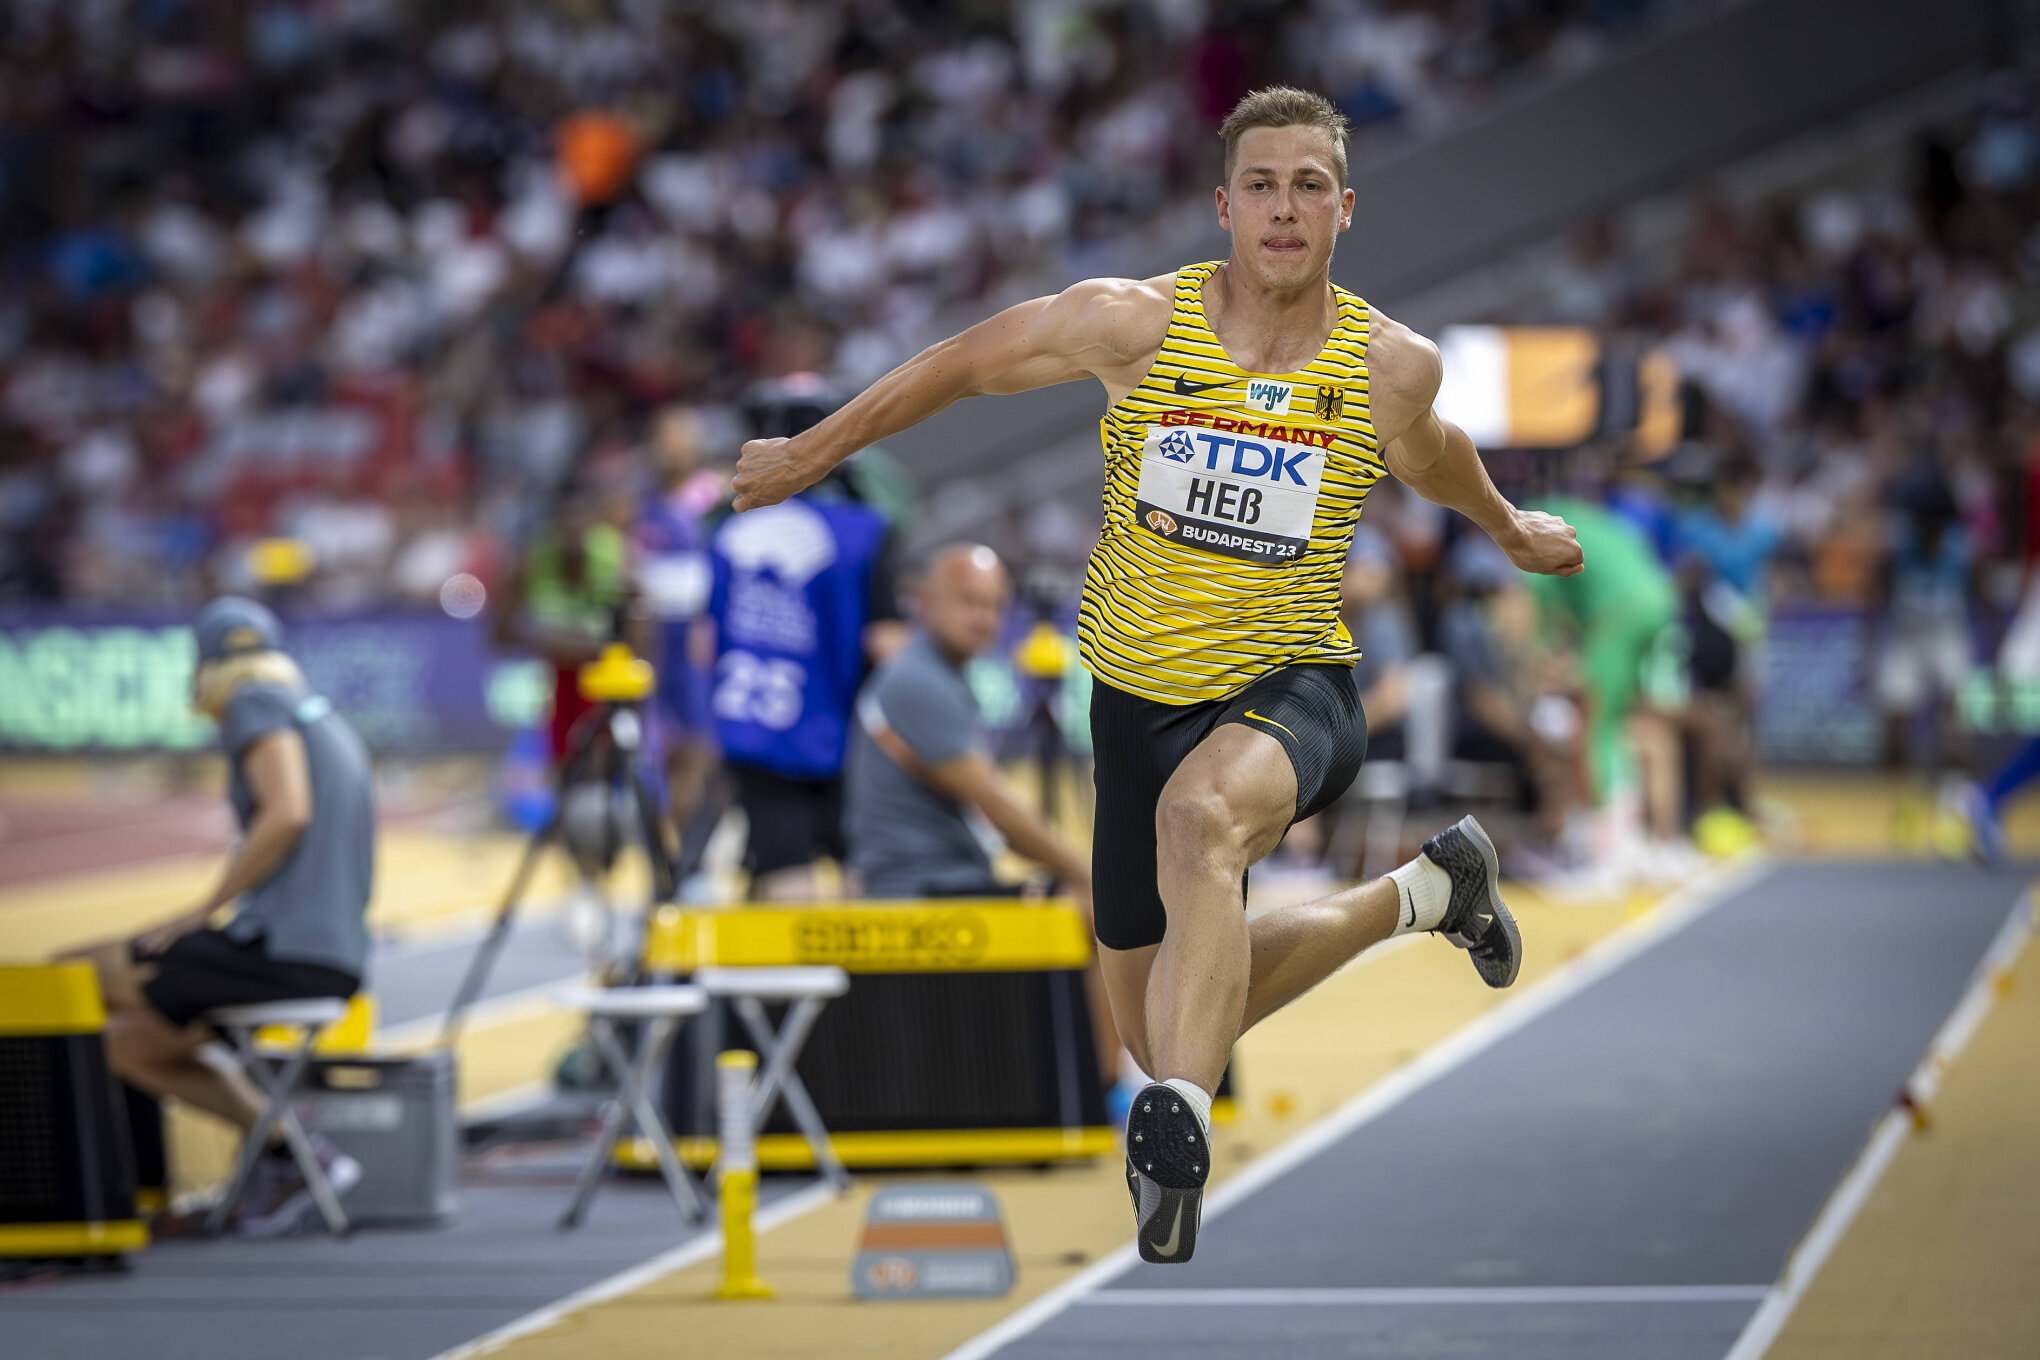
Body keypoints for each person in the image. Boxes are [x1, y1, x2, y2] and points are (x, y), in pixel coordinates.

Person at [732, 86, 1583, 1263]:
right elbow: (964, 366)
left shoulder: (1389, 364)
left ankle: (1171, 1126)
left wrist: (1507, 528)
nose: (1286, 209)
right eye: (1264, 185)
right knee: (1153, 1011)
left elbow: (1434, 457)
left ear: (1347, 209)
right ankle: (1425, 895)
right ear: (1223, 204)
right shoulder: (1130, 325)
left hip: (1293, 689)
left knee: (1201, 829)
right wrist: (809, 452)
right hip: (1135, 704)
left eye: (1310, 186)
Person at [62, 598, 374, 1237]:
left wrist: (201, 912)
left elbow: (287, 811)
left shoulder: (254, 702)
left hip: (281, 950)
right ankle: (290, 1154)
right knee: (125, 1044)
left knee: (70, 976)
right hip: (325, 954)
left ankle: (105, 1192)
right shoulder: (314, 711)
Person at [709, 376, 906, 899]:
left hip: (754, 723)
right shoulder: (866, 528)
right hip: (843, 729)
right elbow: (886, 641)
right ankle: (858, 984)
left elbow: (702, 643)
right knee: (858, 871)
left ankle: (784, 983)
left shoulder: (727, 527)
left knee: (781, 871)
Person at [633, 406, 720, 855]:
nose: (670, 448)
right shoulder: (642, 504)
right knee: (661, 744)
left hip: (696, 632)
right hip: (655, 633)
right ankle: (672, 848)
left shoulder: (713, 496)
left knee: (700, 744)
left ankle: (694, 847)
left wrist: (712, 618)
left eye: (679, 438)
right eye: (662, 438)